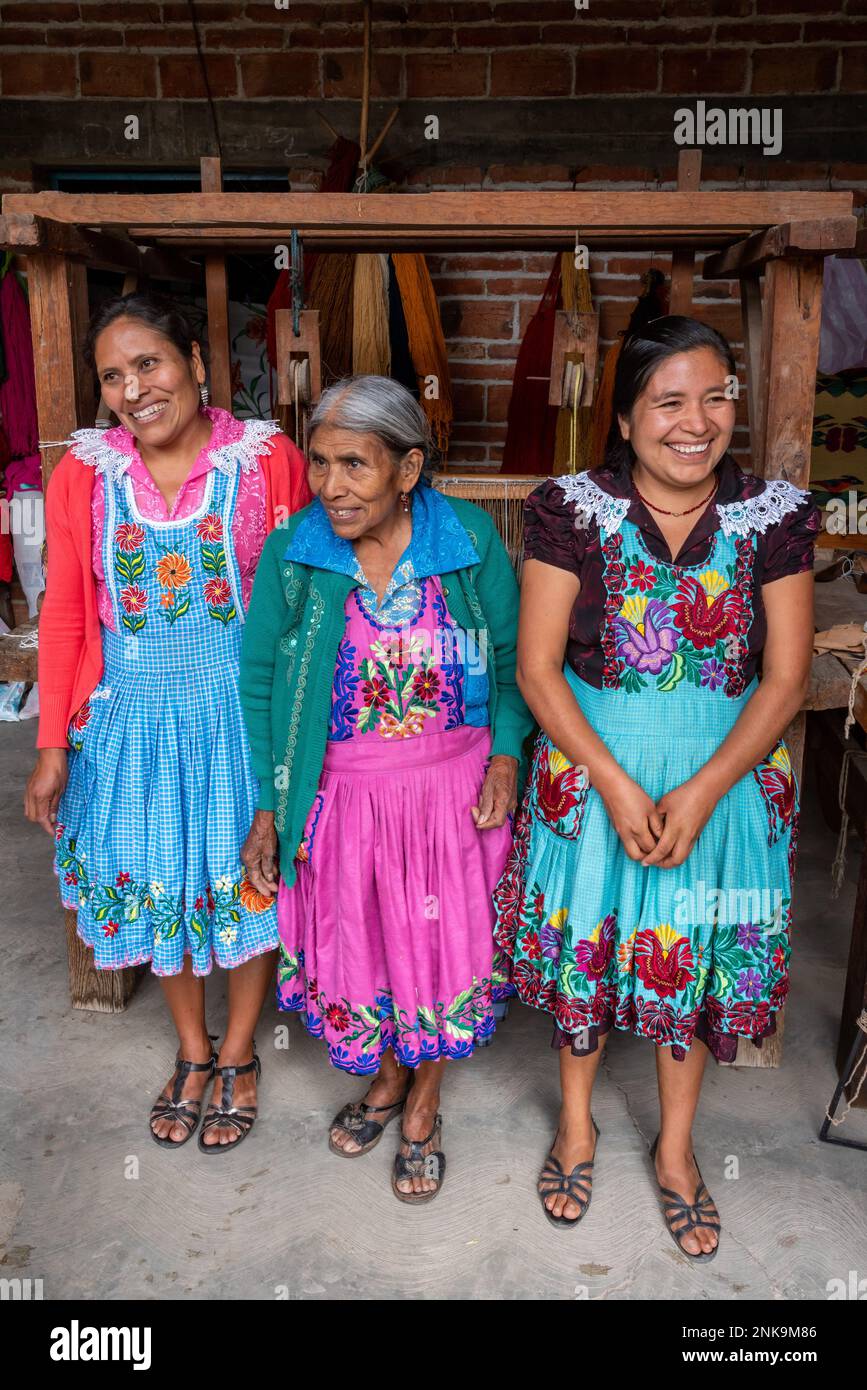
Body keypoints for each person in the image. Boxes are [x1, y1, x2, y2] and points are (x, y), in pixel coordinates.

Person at [494, 316, 818, 1255]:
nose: (696, 421)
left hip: (725, 780)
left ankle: (676, 1152)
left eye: (716, 397)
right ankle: (577, 1125)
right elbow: (539, 670)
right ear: (627, 418)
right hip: (592, 771)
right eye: (668, 401)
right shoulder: (568, 508)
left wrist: (708, 787)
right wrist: (613, 782)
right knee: (585, 959)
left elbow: (786, 678)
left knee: (696, 961)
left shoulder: (776, 516)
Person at [24, 292, 311, 1152]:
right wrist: (49, 747)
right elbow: (69, 613)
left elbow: (297, 604)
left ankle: (238, 1052)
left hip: (238, 713)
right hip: (131, 720)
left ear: (192, 357)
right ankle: (191, 1050)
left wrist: (296, 735)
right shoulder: (83, 474)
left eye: (147, 363)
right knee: (159, 880)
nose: (131, 389)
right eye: (112, 376)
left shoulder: (267, 461)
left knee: (243, 876)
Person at [239, 374, 533, 1202]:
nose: (331, 486)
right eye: (320, 464)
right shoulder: (297, 551)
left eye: (355, 466)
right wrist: (270, 803)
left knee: (435, 946)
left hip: (452, 792)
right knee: (365, 937)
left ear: (407, 469)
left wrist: (506, 756)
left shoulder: (466, 540)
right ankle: (385, 1076)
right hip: (343, 795)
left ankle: (423, 1097)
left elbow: (512, 670)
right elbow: (260, 681)